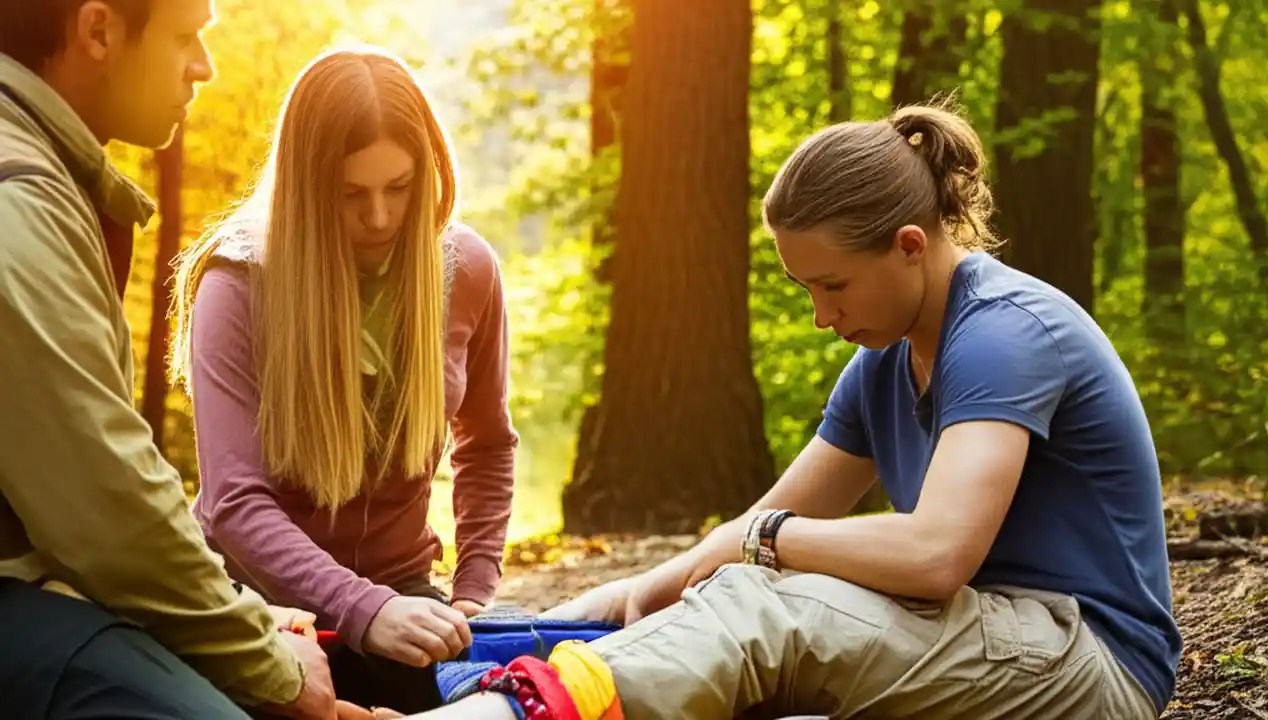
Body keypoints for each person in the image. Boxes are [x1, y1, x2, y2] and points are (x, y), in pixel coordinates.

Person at [376, 100, 1183, 720]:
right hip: (981, 639)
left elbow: (935, 553)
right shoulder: (884, 362)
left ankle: (512, 710)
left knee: (765, 609)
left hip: (1089, 662)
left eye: (832, 286)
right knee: (727, 636)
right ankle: (531, 671)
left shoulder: (1004, 332)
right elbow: (755, 536)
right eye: (806, 290)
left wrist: (760, 542)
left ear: (910, 245)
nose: (821, 317)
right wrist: (602, 608)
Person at [0, 1, 349, 718]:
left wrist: (240, 613)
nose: (204, 66)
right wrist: (274, 670)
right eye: (186, 37)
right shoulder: (21, 206)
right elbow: (105, 504)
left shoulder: (38, 173)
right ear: (98, 31)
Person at [166, 46, 520, 714]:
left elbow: (488, 442)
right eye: (351, 193)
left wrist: (473, 588)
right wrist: (363, 608)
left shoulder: (466, 269)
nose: (380, 218)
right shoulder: (236, 284)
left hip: (399, 591)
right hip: (248, 603)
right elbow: (234, 501)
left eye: (400, 186)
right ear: (305, 186)